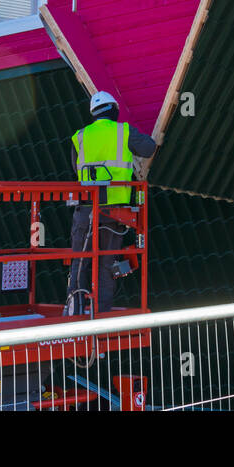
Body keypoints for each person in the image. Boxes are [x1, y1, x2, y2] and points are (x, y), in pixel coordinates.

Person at [66, 91, 156, 314]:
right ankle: (102, 313)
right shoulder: (123, 131)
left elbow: (75, 169)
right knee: (106, 265)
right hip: (114, 212)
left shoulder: (79, 136)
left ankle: (75, 310)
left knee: (79, 261)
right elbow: (148, 148)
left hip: (86, 208)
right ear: (113, 110)